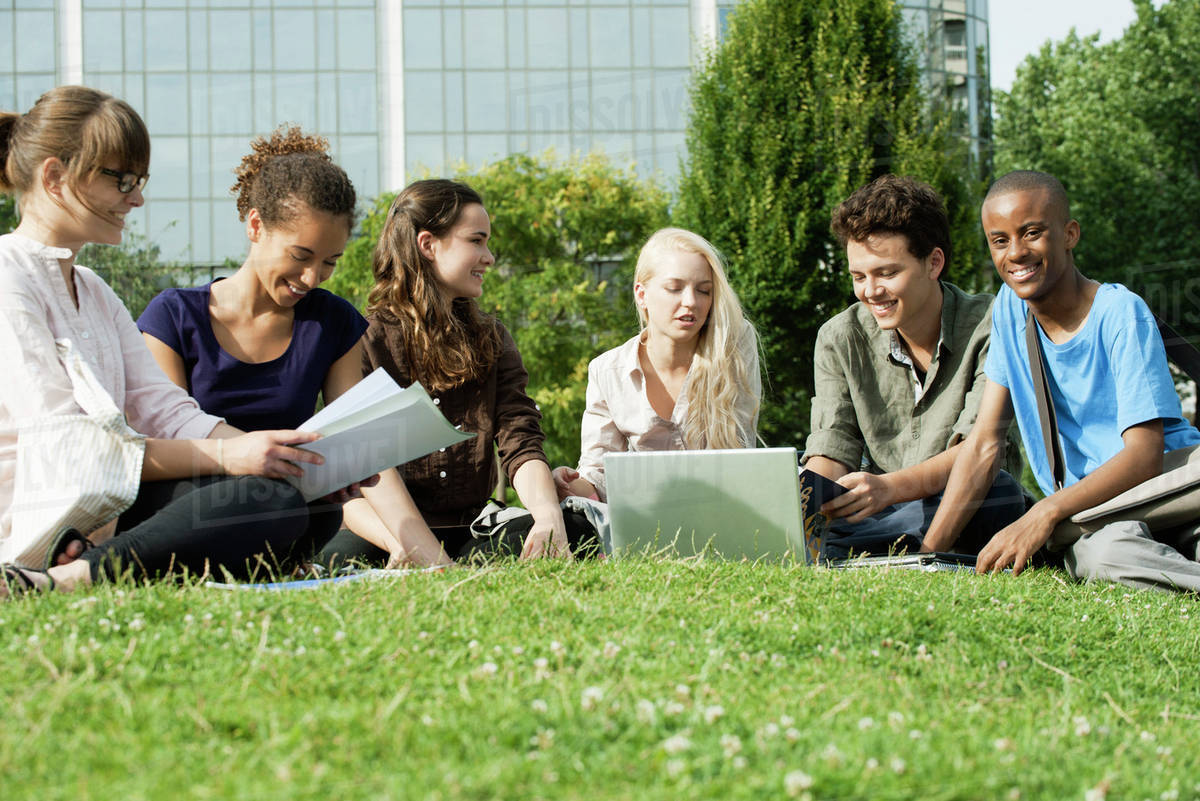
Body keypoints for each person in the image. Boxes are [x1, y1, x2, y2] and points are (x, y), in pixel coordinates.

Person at [0, 86, 342, 599]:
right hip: (42, 509)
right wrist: (232, 457)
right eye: (123, 180)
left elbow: (166, 411)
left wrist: (285, 456)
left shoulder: (93, 289)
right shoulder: (9, 277)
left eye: (140, 182)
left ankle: (89, 567)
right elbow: (74, 452)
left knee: (309, 502)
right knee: (262, 500)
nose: (136, 199)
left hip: (106, 504)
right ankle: (59, 578)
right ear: (54, 177)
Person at [921, 170, 1200, 591]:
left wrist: (1044, 512)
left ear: (1069, 234)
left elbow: (1145, 456)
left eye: (1032, 233)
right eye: (1000, 240)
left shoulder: (1120, 312)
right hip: (1096, 512)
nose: (1015, 253)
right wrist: (929, 556)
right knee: (1104, 558)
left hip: (1169, 489)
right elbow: (984, 442)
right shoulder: (1009, 312)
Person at [318, 178, 592, 568]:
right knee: (341, 564)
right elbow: (352, 473)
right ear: (428, 245)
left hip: (470, 532)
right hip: (383, 533)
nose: (490, 257)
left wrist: (548, 516)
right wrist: (408, 546)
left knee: (574, 529)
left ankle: (460, 566)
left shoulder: (493, 338)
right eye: (476, 241)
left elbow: (520, 438)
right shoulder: (364, 340)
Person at [803, 175, 1027, 559]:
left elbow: (978, 448)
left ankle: (894, 551)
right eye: (859, 277)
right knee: (813, 493)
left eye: (887, 273)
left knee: (999, 493)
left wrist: (889, 488)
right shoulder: (839, 337)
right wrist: (806, 502)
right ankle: (852, 546)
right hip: (883, 510)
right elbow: (833, 446)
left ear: (933, 262)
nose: (870, 291)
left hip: (967, 498)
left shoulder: (994, 323)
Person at [552, 227, 761, 503]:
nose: (691, 302)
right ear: (641, 294)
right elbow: (597, 476)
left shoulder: (731, 345)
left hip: (726, 508)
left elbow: (741, 451)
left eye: (704, 291)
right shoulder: (606, 371)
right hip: (647, 519)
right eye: (674, 288)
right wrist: (564, 484)